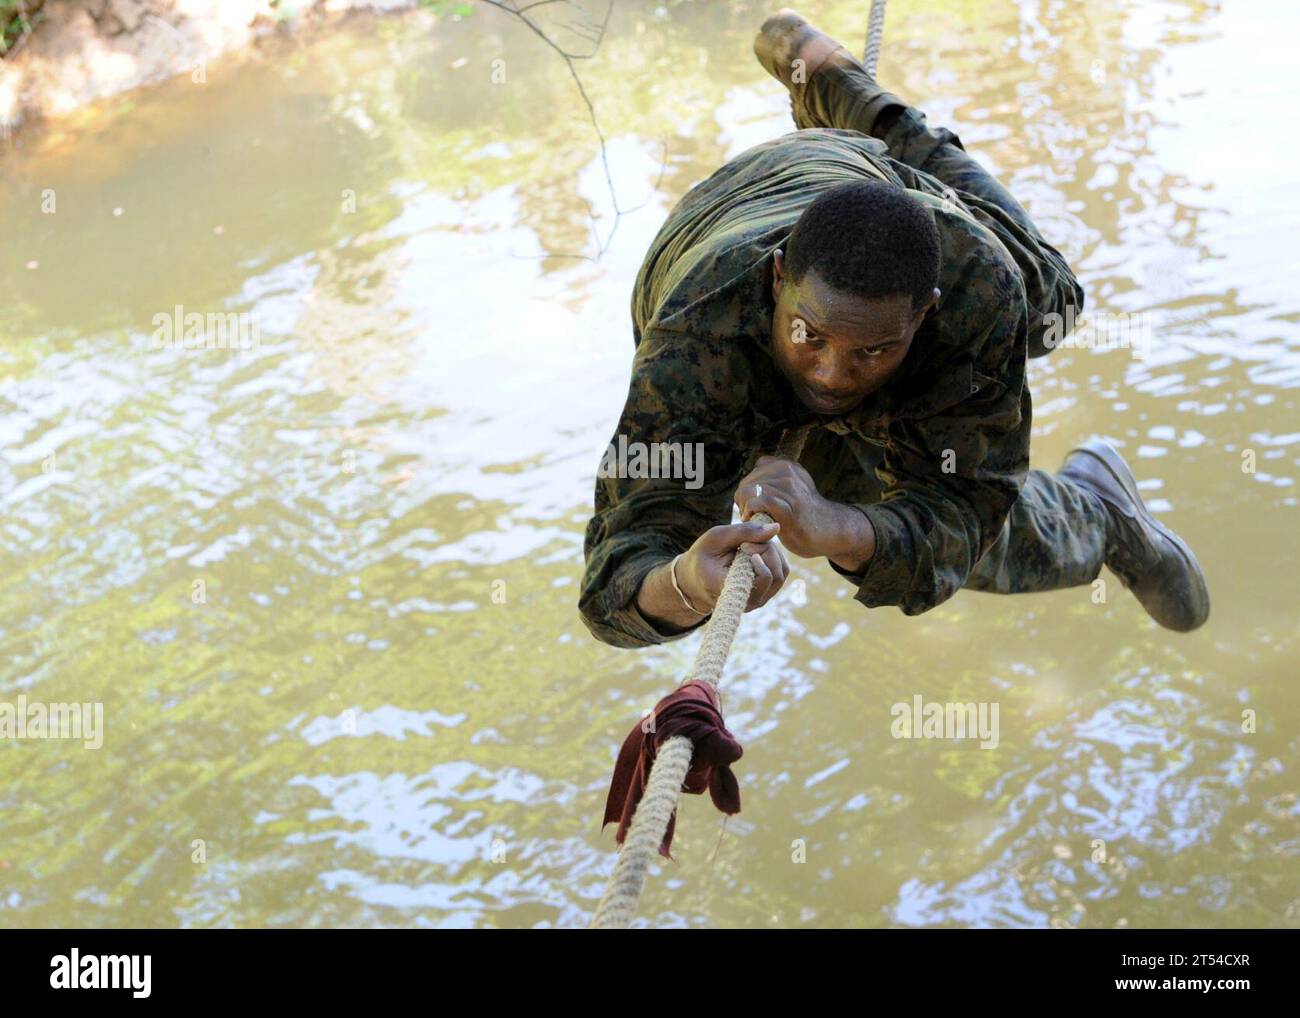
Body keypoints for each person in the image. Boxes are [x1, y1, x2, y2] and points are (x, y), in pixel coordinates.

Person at [579, 10, 1208, 649]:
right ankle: (1099, 515)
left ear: (928, 312)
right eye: (810, 337)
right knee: (867, 498)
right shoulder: (695, 349)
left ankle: (872, 115)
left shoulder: (974, 288)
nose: (831, 374)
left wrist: (837, 528)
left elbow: (965, 506)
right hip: (722, 245)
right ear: (777, 283)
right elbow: (609, 588)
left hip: (875, 180)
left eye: (872, 350)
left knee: (1054, 311)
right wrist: (685, 583)